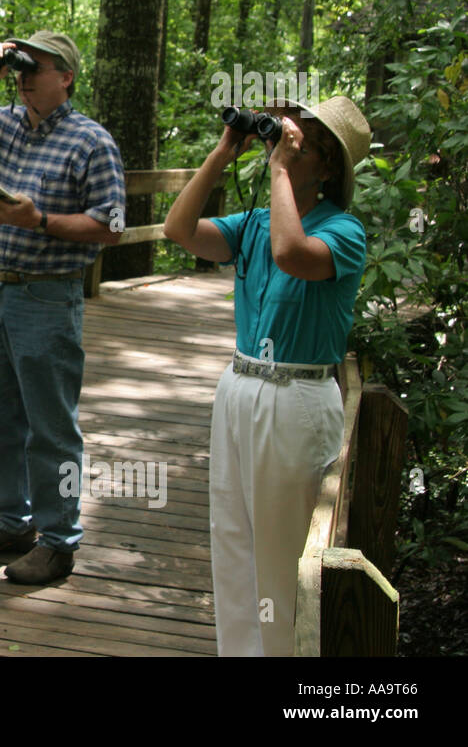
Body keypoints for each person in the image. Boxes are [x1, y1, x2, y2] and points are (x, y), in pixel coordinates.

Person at [163, 96, 370, 655]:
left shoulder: (344, 229)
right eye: (282, 134)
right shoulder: (252, 221)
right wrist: (224, 151)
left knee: (280, 557)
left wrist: (277, 168)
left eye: (298, 141)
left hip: (295, 394)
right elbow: (177, 229)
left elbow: (291, 253)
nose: (282, 144)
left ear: (326, 167)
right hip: (239, 386)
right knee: (233, 544)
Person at [0, 32, 125, 585]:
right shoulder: (3, 123)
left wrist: (38, 221)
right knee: (1, 418)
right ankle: (14, 522)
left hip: (48, 295)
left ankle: (59, 541)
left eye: (40, 67)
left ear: (68, 78)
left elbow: (110, 226)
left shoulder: (91, 142)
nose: (26, 74)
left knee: (51, 427)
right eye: (22, 65)